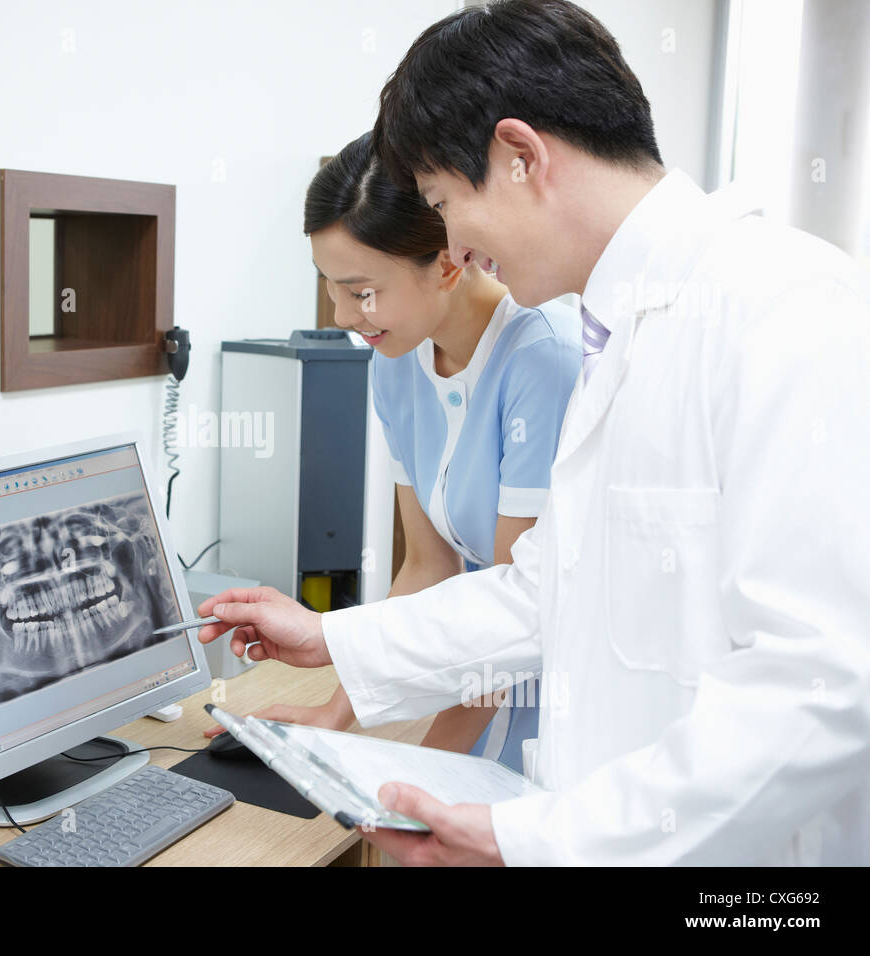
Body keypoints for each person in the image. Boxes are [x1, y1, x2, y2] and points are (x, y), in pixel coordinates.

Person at [197, 0, 870, 865]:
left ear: (520, 157)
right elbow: (543, 591)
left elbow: (822, 682)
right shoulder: (619, 331)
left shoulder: (785, 309)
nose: (453, 245)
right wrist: (334, 637)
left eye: (444, 200)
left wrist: (546, 840)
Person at [203, 132, 580, 773]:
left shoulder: (543, 358)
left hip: (555, 707)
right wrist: (332, 714)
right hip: (473, 682)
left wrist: (419, 785)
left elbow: (512, 615)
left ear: (448, 261)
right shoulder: (398, 358)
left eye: (362, 290)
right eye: (330, 286)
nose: (344, 314)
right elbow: (428, 564)